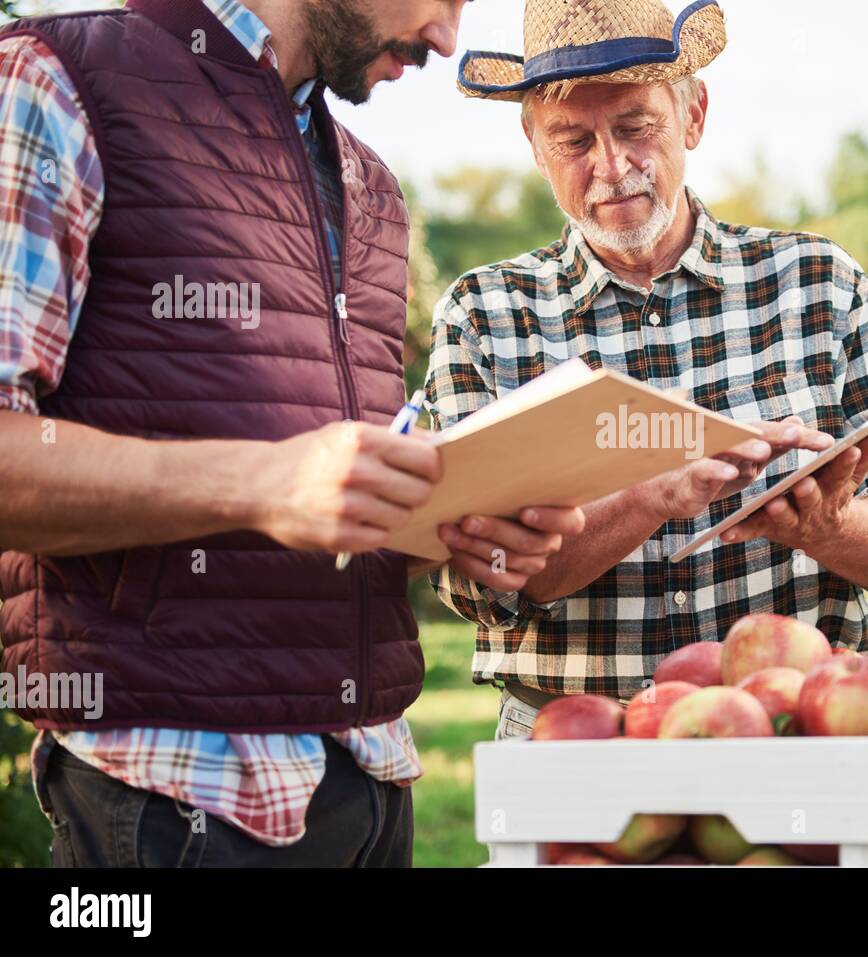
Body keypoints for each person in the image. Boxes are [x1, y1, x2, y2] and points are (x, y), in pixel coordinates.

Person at [0, 0, 586, 867]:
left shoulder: (371, 184)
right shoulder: (55, 81)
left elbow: (327, 509)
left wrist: (453, 525)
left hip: (374, 786)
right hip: (175, 802)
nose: (448, 38)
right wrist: (262, 483)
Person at [426, 0, 868, 740]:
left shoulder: (817, 282)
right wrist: (650, 494)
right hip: (576, 744)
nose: (611, 167)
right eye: (573, 140)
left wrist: (832, 526)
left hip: (798, 731)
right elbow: (475, 578)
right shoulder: (484, 315)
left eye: (635, 128)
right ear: (534, 146)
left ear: (694, 116)